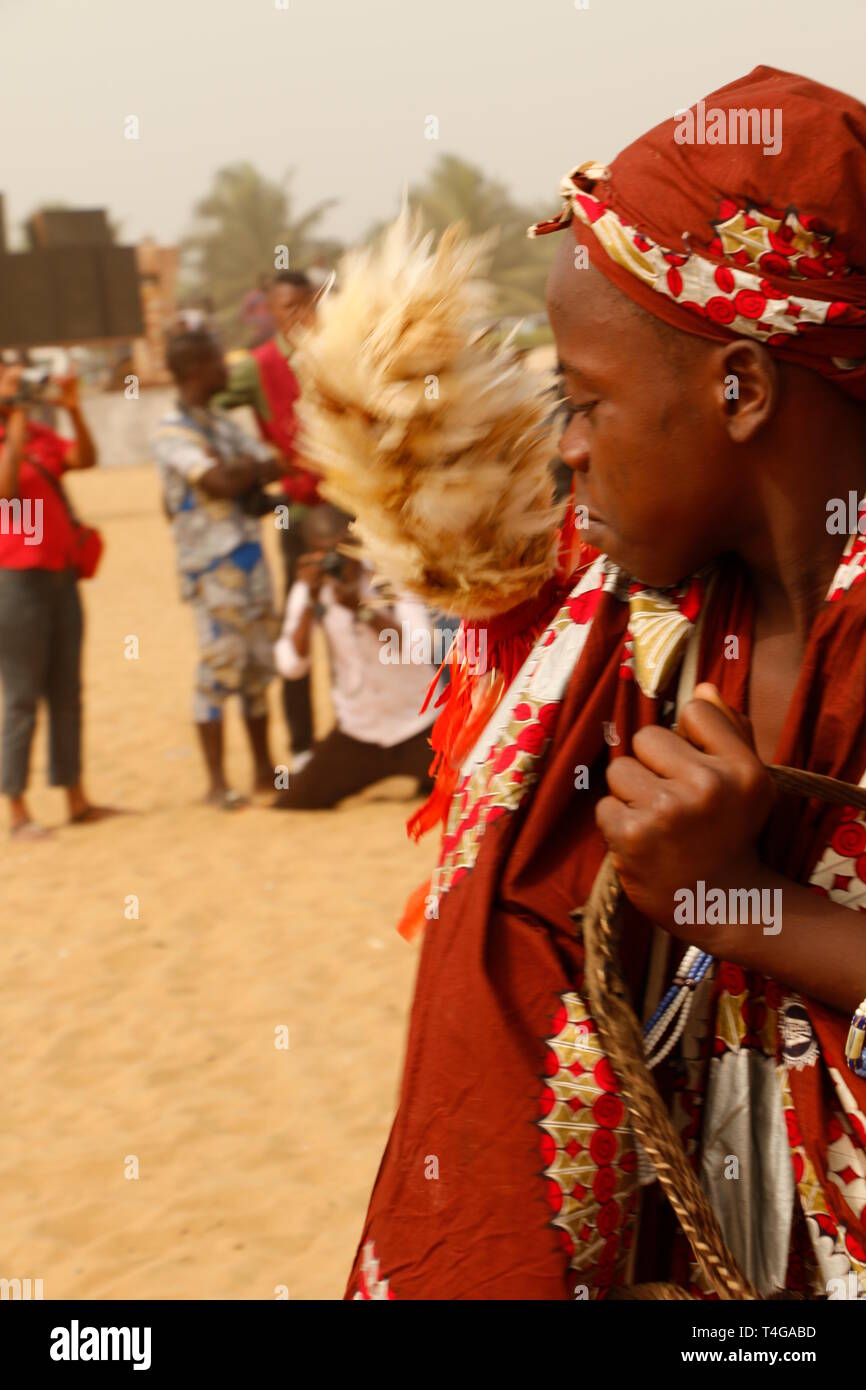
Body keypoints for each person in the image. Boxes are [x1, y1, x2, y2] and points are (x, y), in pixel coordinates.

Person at [346, 67, 866, 1300]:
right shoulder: (637, 628)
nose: (565, 444)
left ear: (738, 387)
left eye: (585, 401)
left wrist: (736, 902)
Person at [153, 328, 283, 808]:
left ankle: (264, 773)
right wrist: (238, 470)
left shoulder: (219, 423)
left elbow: (271, 463)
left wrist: (239, 469)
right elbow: (220, 481)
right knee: (219, 665)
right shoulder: (171, 431)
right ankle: (215, 783)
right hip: (211, 569)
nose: (227, 368)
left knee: (256, 665)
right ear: (193, 370)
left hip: (249, 562)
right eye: (216, 361)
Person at [0, 365, 117, 837]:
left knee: (67, 693)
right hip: (14, 580)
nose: (20, 388)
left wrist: (75, 413)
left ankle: (76, 798)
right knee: (22, 696)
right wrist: (17, 423)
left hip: (61, 577)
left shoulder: (45, 435)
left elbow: (85, 459)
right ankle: (18, 810)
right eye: (10, 382)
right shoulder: (15, 437)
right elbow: (7, 493)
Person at [217, 269, 322, 775]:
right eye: (287, 308)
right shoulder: (255, 368)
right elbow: (206, 405)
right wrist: (257, 460)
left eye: (306, 304)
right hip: (298, 511)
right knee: (297, 620)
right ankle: (302, 746)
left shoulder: (342, 354)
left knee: (363, 622)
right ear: (273, 313)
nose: (299, 316)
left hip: (360, 507)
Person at [273, 506, 436, 808]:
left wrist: (364, 610)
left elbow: (421, 648)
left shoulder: (389, 576)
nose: (336, 560)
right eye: (324, 553)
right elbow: (291, 666)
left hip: (419, 724)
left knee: (466, 786)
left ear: (355, 542)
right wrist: (309, 602)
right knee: (294, 802)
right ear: (310, 552)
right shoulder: (309, 588)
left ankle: (426, 779)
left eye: (340, 549)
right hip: (359, 729)